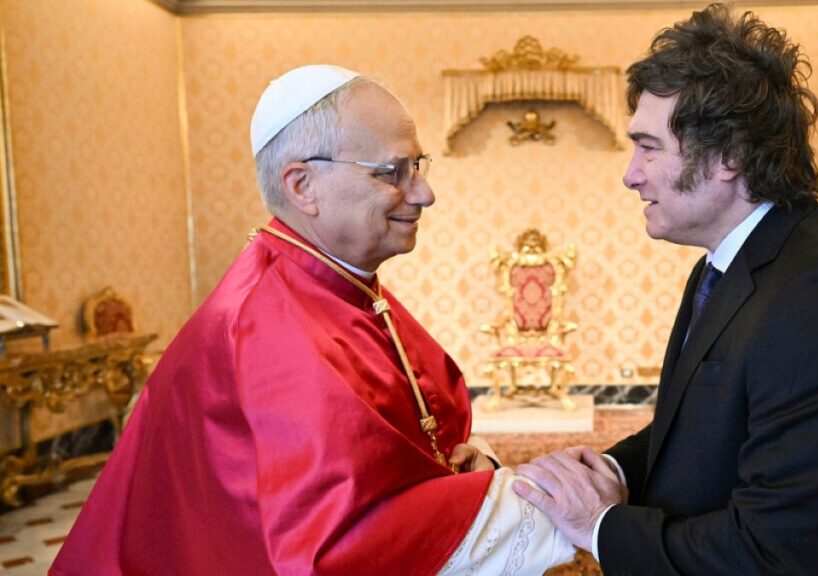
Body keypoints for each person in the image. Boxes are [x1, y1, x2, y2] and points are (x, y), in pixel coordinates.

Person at [52, 65, 573, 575]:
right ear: (302, 185)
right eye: (394, 172)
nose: (423, 193)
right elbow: (339, 548)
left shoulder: (335, 284)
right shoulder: (269, 328)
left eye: (419, 166)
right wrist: (531, 504)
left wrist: (462, 474)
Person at [513, 5, 818, 575]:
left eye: (649, 147)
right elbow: (708, 427)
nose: (631, 174)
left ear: (729, 155)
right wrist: (614, 471)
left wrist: (600, 525)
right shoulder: (734, 261)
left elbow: (770, 553)